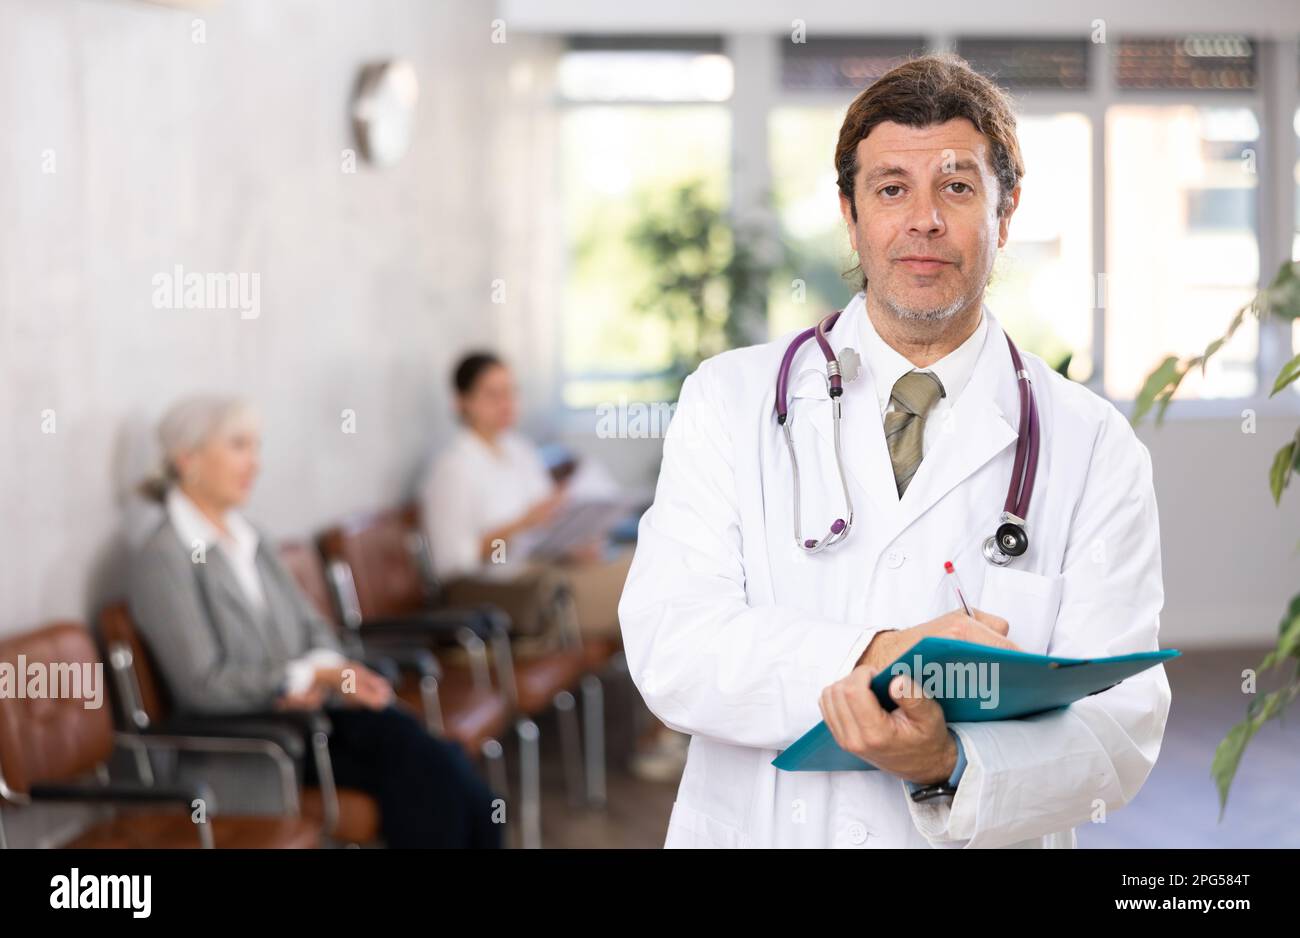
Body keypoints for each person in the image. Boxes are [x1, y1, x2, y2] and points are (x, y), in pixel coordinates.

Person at [618, 53, 1171, 848]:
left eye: (956, 186)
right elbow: (674, 645)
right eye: (890, 189)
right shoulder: (728, 400)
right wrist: (880, 653)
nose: (923, 221)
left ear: (1004, 212)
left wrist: (946, 762)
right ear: (850, 215)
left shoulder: (1091, 445)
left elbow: (1121, 725)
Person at [127, 394, 502, 849]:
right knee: (429, 779)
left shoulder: (252, 537)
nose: (255, 463)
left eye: (256, 446)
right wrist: (307, 674)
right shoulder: (164, 559)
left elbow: (315, 628)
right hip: (261, 748)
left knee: (455, 779)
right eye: (239, 446)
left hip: (319, 723)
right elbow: (202, 685)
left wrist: (333, 671)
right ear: (188, 460)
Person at [421, 352, 632, 642]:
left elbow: (548, 523)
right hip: (506, 591)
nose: (506, 403)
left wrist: (573, 544)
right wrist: (521, 523)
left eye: (510, 392)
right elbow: (453, 563)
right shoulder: (453, 468)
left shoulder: (519, 450)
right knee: (632, 588)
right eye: (492, 395)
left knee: (639, 565)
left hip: (546, 569)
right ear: (462, 402)